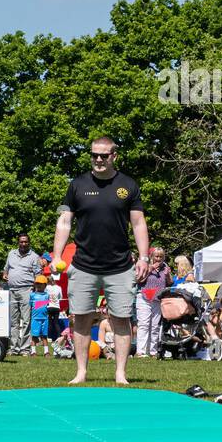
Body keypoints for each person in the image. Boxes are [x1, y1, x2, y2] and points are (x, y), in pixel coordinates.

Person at [52, 136, 150, 386]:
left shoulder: (128, 185)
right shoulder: (77, 184)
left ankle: (120, 373)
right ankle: (81, 372)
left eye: (103, 155)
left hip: (120, 266)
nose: (98, 159)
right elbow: (64, 221)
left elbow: (138, 223)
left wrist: (144, 257)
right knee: (81, 317)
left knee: (121, 318)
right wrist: (56, 255)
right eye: (94, 154)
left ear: (114, 156)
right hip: (84, 264)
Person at [3, 233, 41, 356]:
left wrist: (36, 291)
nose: (23, 244)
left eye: (25, 242)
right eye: (21, 242)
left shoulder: (34, 257)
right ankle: (13, 348)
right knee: (13, 321)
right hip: (12, 290)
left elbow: (38, 275)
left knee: (26, 321)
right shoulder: (11, 253)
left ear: (29, 243)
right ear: (18, 242)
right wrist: (5, 274)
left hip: (27, 290)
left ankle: (25, 349)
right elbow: (6, 268)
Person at [135, 246, 170, 358]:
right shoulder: (145, 266)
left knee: (155, 326)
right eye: (156, 256)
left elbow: (170, 282)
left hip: (157, 299)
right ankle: (141, 351)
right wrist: (150, 269)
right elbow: (139, 279)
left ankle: (153, 351)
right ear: (151, 256)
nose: (159, 259)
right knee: (144, 324)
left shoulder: (165, 267)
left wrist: (168, 274)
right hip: (144, 297)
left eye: (161, 256)